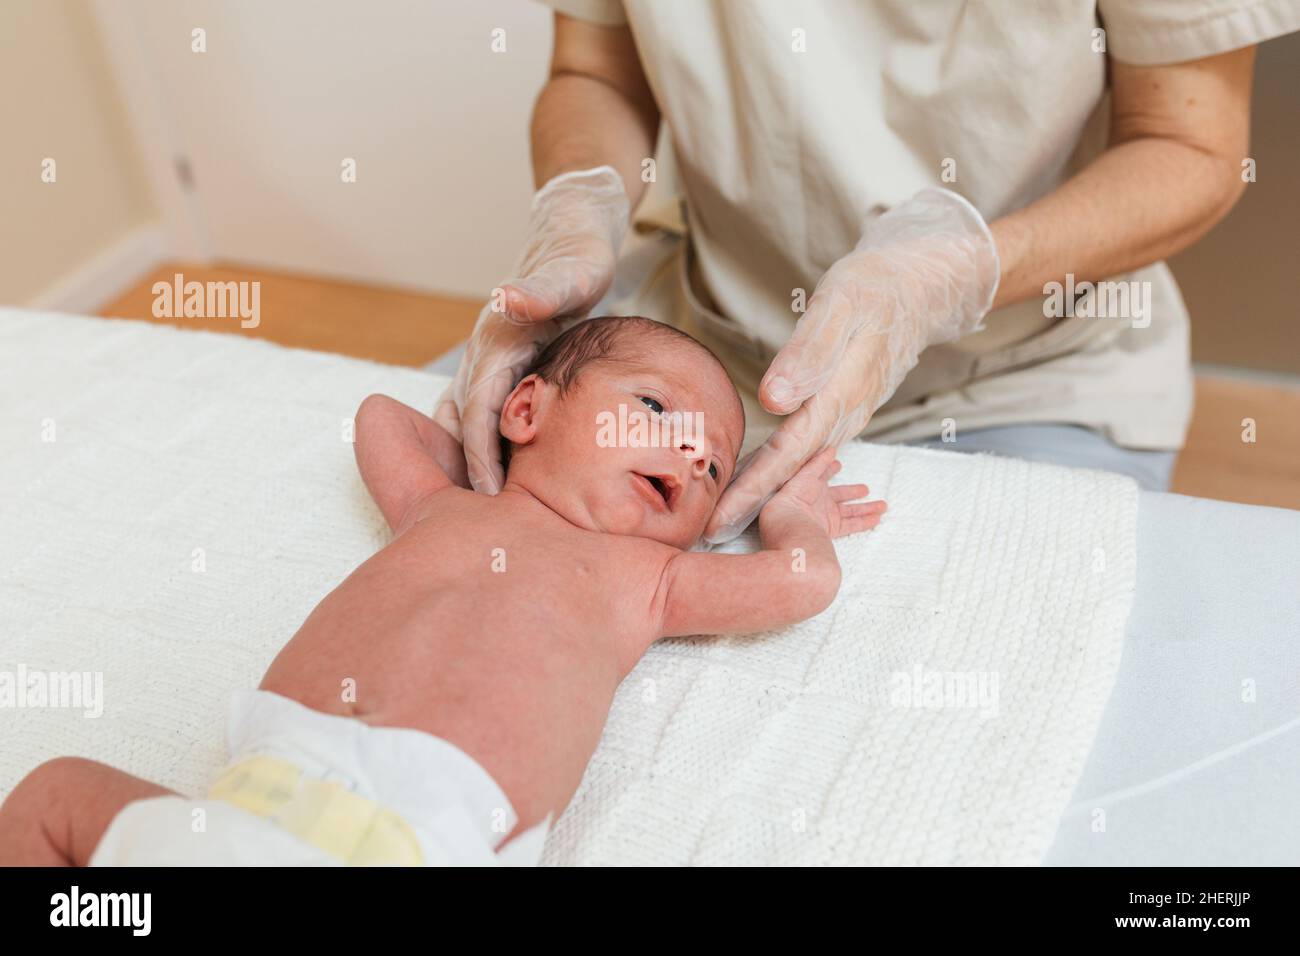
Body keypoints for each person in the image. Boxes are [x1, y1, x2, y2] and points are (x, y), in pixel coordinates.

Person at [0, 317, 882, 866]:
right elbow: (380, 418)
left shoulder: (650, 579)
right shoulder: (442, 507)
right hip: (234, 826)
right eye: (656, 411)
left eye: (716, 465)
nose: (693, 454)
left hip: (425, 841)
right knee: (52, 799)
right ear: (527, 410)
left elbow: (802, 584)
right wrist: (490, 418)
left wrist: (794, 512)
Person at [433, 0, 1299, 543]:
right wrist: (578, 214)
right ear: (527, 406)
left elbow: (1190, 146)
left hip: (1025, 378)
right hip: (711, 348)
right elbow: (595, 73)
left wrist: (946, 276)